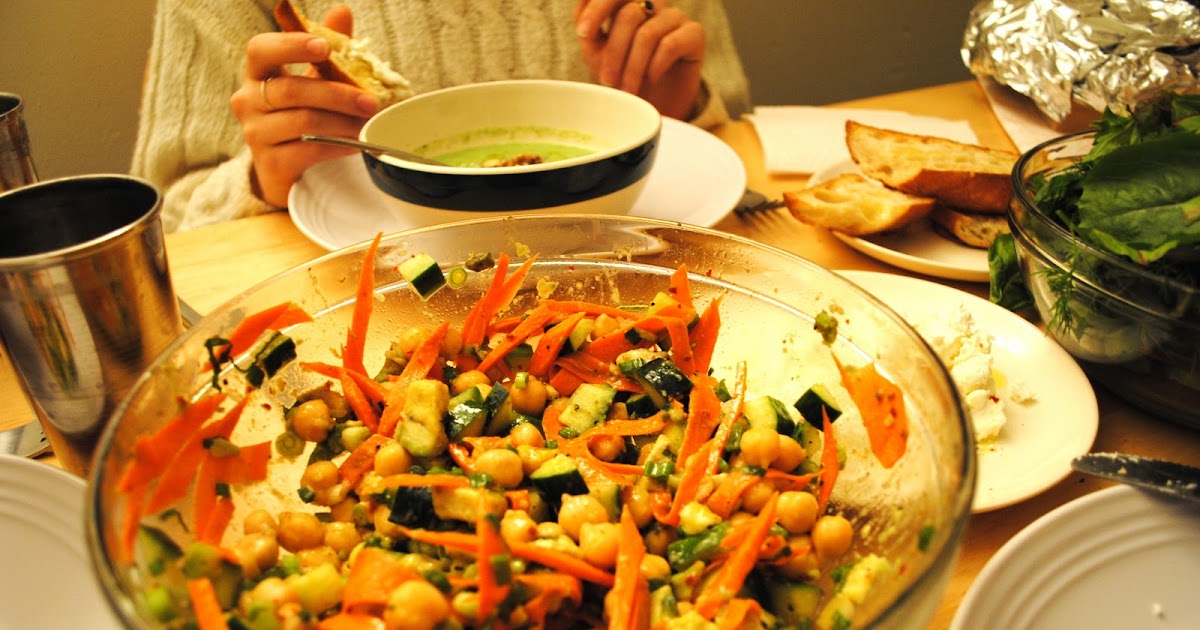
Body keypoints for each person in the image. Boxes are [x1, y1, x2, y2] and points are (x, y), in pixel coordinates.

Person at [131, 0, 752, 233]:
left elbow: (736, 140)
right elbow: (167, 223)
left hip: (641, 279)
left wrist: (674, 113)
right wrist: (263, 178)